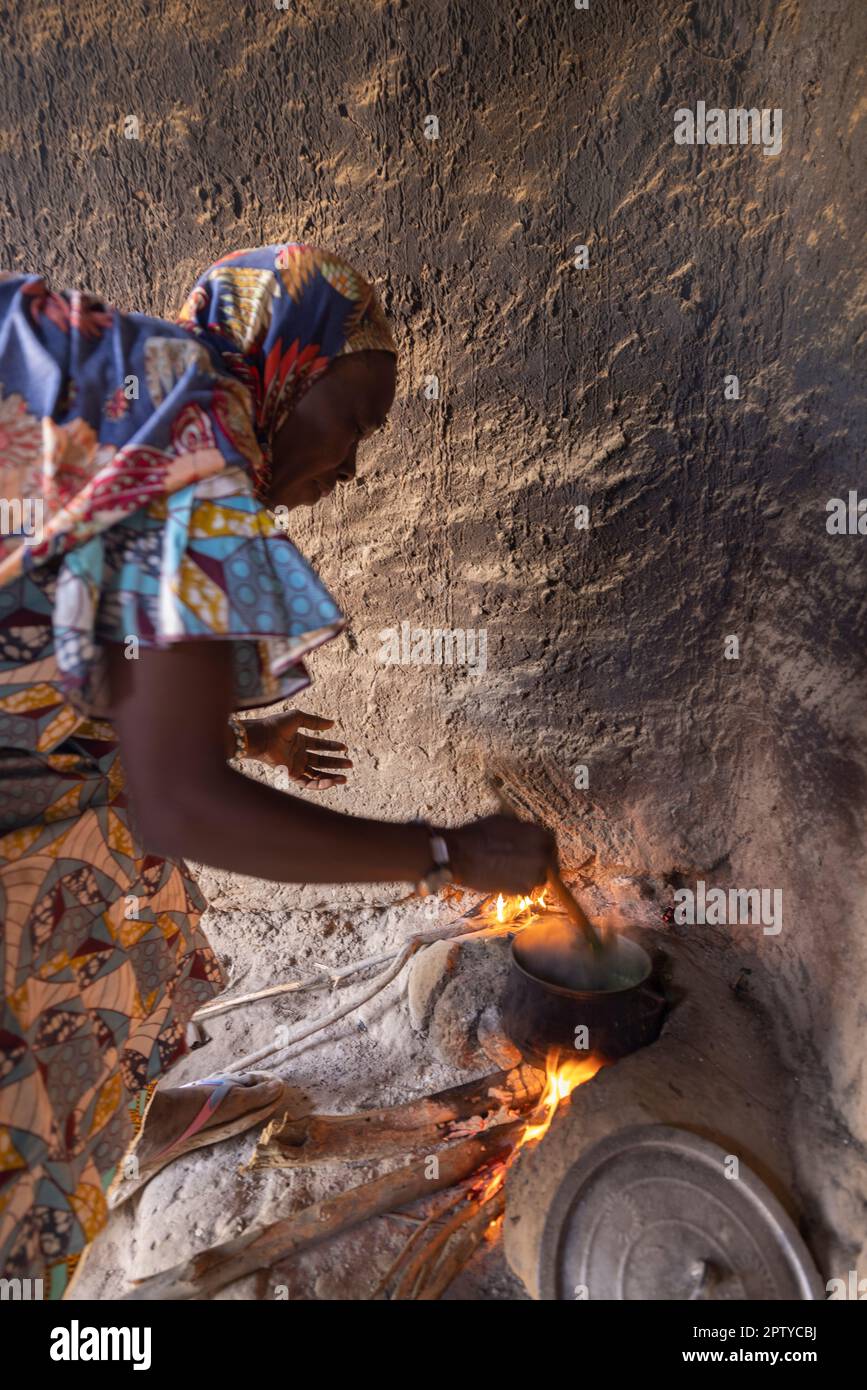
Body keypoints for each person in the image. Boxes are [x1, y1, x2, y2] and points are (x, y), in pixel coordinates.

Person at [0, 242, 554, 1293]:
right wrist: (443, 852)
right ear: (288, 374)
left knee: (130, 899)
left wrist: (244, 736)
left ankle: (120, 1099)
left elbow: (77, 651)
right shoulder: (188, 441)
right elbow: (179, 803)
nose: (350, 469)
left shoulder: (141, 398)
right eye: (356, 425)